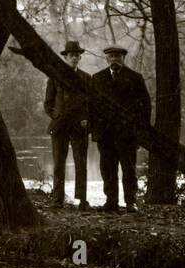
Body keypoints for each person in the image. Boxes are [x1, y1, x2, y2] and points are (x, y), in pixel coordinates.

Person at [89, 44, 151, 212]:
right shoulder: (97, 78)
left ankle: (130, 202)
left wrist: (141, 132)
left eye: (118, 56)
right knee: (108, 169)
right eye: (111, 56)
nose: (114, 59)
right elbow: (91, 107)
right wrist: (95, 131)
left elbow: (145, 106)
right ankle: (111, 201)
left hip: (128, 134)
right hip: (105, 134)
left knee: (129, 169)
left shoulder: (135, 78)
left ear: (124, 58)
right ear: (106, 59)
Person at [44, 39, 90, 209]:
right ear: (65, 57)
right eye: (71, 55)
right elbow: (48, 103)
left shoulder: (86, 78)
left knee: (81, 164)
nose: (74, 58)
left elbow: (90, 103)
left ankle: (82, 200)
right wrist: (56, 117)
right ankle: (57, 200)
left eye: (77, 56)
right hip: (60, 127)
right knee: (58, 164)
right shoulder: (55, 77)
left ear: (80, 58)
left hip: (80, 127)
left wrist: (86, 119)